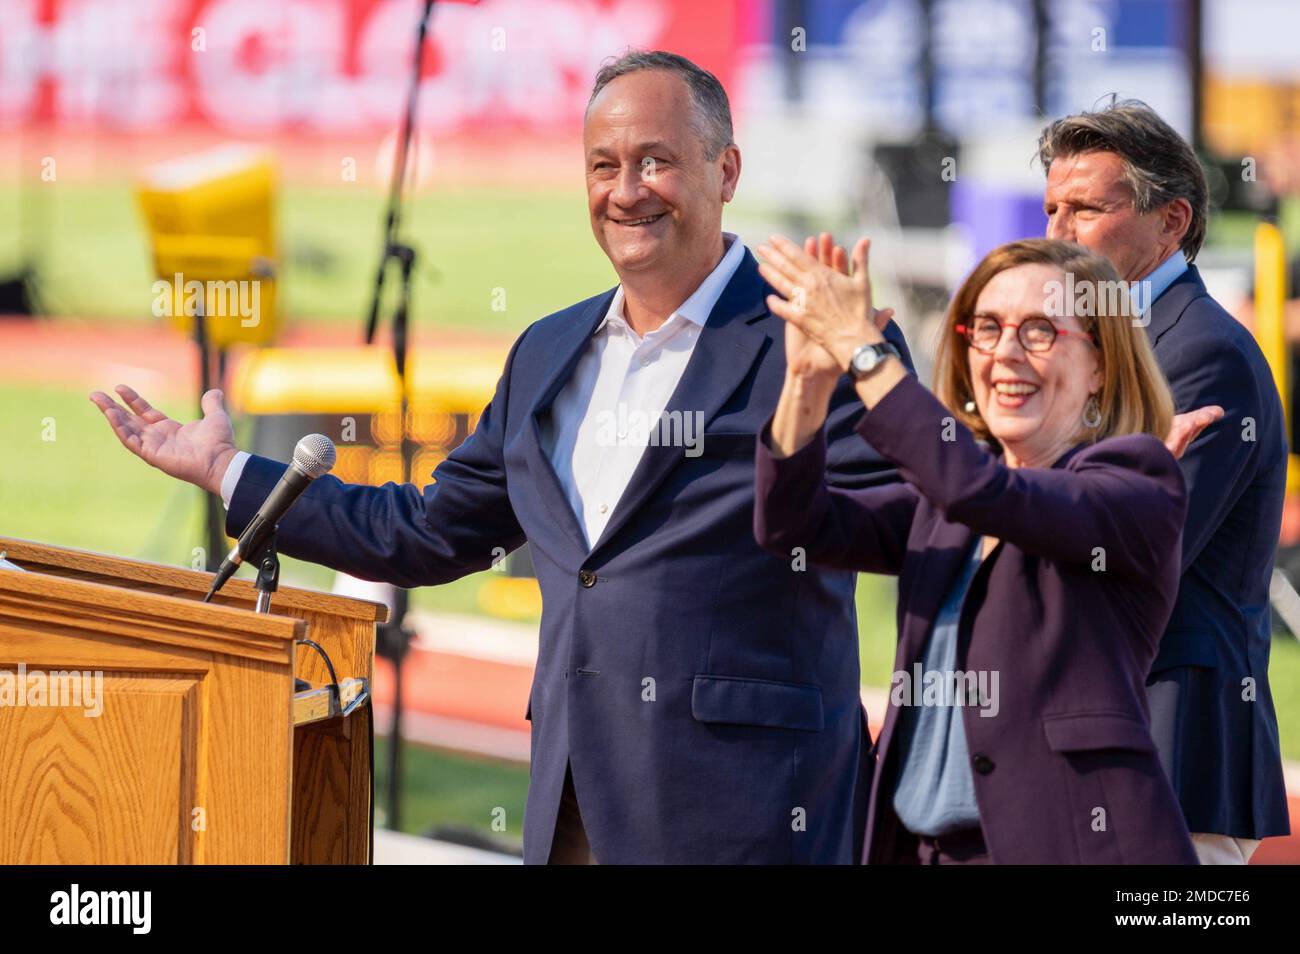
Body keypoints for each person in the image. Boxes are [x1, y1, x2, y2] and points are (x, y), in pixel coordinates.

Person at [89, 50, 912, 864]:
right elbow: (425, 534)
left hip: (759, 811)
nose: (626, 191)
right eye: (603, 165)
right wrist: (227, 470)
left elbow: (904, 522)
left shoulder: (814, 331)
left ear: (726, 169)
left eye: (655, 162)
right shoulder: (550, 351)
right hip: (573, 807)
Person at [753, 235, 1206, 863]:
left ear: (1101, 364)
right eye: (986, 328)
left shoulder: (1136, 479)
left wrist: (865, 354)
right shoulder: (948, 507)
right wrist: (806, 379)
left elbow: (981, 489)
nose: (1005, 354)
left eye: (1040, 332)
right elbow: (794, 526)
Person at [1040, 101, 1290, 863]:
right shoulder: (1104, 340)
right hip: (1114, 743)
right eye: (1051, 208)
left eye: (1085, 208)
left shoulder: (1200, 354)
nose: (1057, 233)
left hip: (1172, 753)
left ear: (1171, 222)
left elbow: (1137, 561)